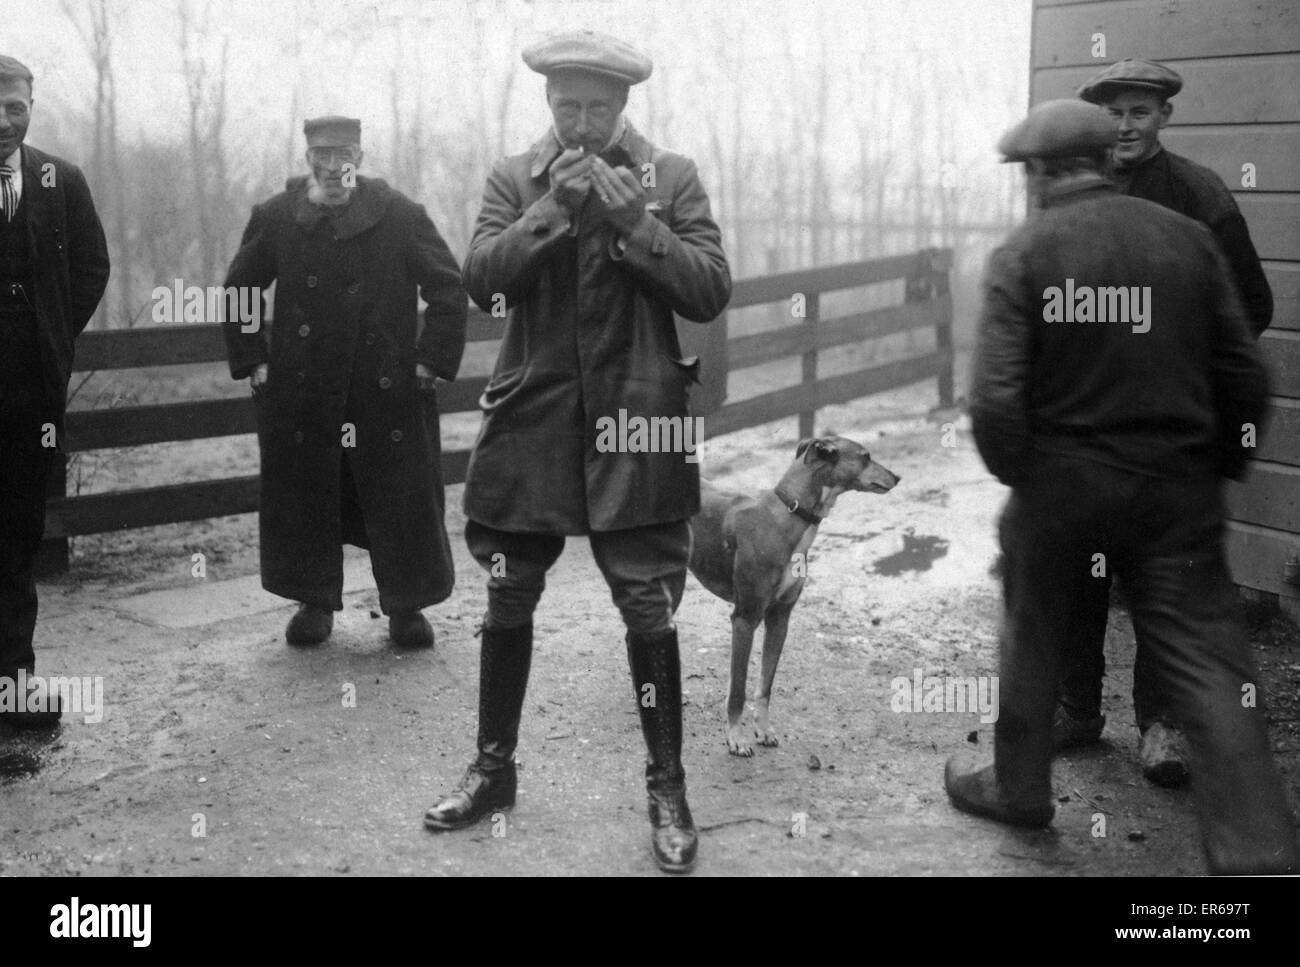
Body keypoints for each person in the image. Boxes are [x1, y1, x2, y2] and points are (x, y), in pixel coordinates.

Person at [946, 98, 1297, 875]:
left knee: (1033, 631)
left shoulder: (1023, 254)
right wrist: (1214, 467)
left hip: (1061, 489)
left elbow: (996, 402)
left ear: (1040, 174)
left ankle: (1019, 786)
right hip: (1177, 492)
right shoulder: (1190, 241)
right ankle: (1259, 854)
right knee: (1208, 665)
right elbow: (1246, 374)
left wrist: (1026, 482)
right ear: (1107, 161)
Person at [422, 30, 731, 874]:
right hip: (534, 422)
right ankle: (493, 769)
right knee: (508, 591)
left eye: (599, 107)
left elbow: (710, 287)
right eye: (568, 108)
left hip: (638, 424)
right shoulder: (514, 178)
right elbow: (481, 278)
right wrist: (549, 213)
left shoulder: (669, 177)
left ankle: (667, 787)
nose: (583, 125)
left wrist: (637, 222)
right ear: (548, 106)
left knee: (645, 603)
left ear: (624, 107)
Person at [1055, 59, 1276, 784]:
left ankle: (1163, 724)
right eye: (1113, 112)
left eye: (1140, 111)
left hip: (1169, 427)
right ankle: (1075, 709)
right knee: (1079, 571)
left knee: (1162, 579)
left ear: (1164, 117)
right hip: (1089, 424)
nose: (1124, 125)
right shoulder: (1072, 197)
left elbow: (1251, 305)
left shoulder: (1199, 194)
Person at [222, 116, 466, 650]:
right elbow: (241, 286)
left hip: (386, 389)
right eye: (322, 155)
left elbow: (448, 288)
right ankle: (313, 602)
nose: (334, 167)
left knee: (399, 496)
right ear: (307, 157)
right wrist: (253, 359)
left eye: (345, 154)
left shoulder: (400, 215)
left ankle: (406, 606)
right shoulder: (278, 217)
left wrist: (430, 360)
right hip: (306, 393)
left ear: (360, 155)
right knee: (310, 493)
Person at [0, 55, 110, 728]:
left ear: (31, 106)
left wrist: (51, 335)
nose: (4, 121)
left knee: (15, 537)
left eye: (15, 106)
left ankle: (14, 684)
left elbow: (93, 266)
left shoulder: (59, 180)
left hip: (28, 402)